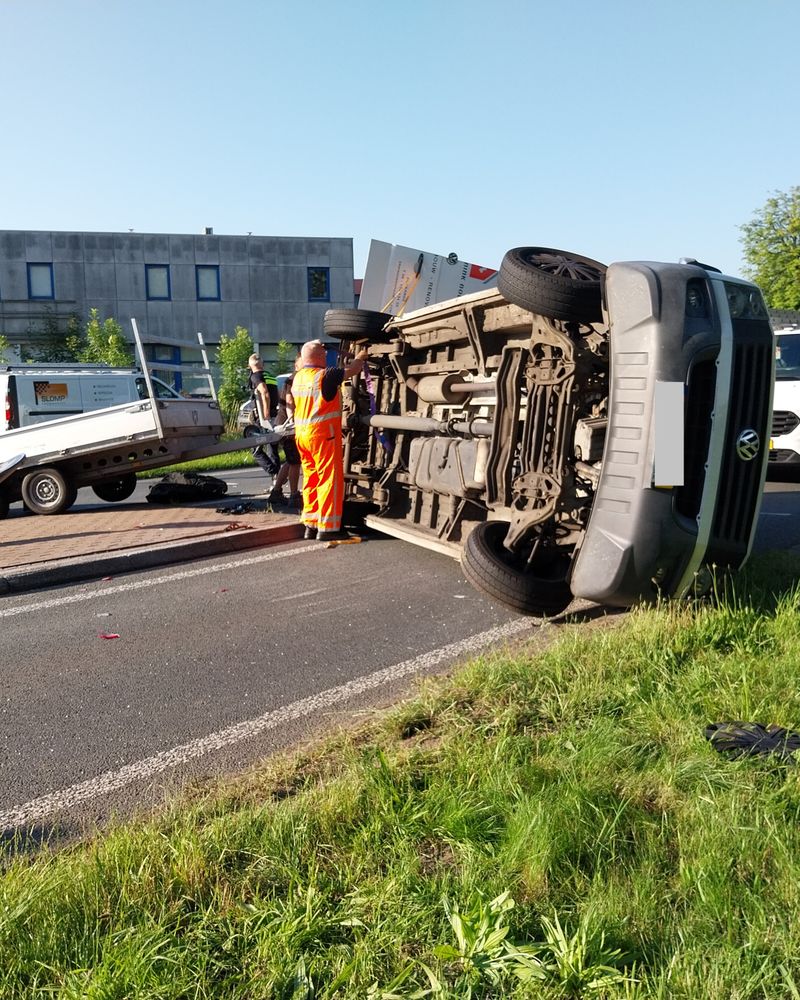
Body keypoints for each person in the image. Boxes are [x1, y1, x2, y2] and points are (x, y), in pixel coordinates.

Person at [292, 340, 368, 541]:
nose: (327, 358)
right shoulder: (325, 375)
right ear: (320, 357)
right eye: (324, 356)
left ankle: (311, 524)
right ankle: (328, 528)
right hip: (322, 435)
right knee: (329, 479)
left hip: (301, 436)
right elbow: (352, 370)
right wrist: (360, 357)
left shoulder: (298, 377)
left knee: (311, 478)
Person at [266, 372, 302, 508]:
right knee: (295, 462)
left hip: (284, 425)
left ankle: (276, 492)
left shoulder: (294, 378)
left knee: (290, 461)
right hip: (288, 428)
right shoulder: (294, 379)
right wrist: (292, 422)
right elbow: (289, 402)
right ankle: (294, 496)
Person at [247, 353, 281, 486]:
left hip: (264, 418)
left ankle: (274, 471)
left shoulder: (255, 376)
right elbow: (276, 394)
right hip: (275, 415)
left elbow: (264, 392)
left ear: (250, 365)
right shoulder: (270, 376)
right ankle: (276, 482)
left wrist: (265, 413)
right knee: (273, 448)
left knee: (256, 450)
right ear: (262, 363)